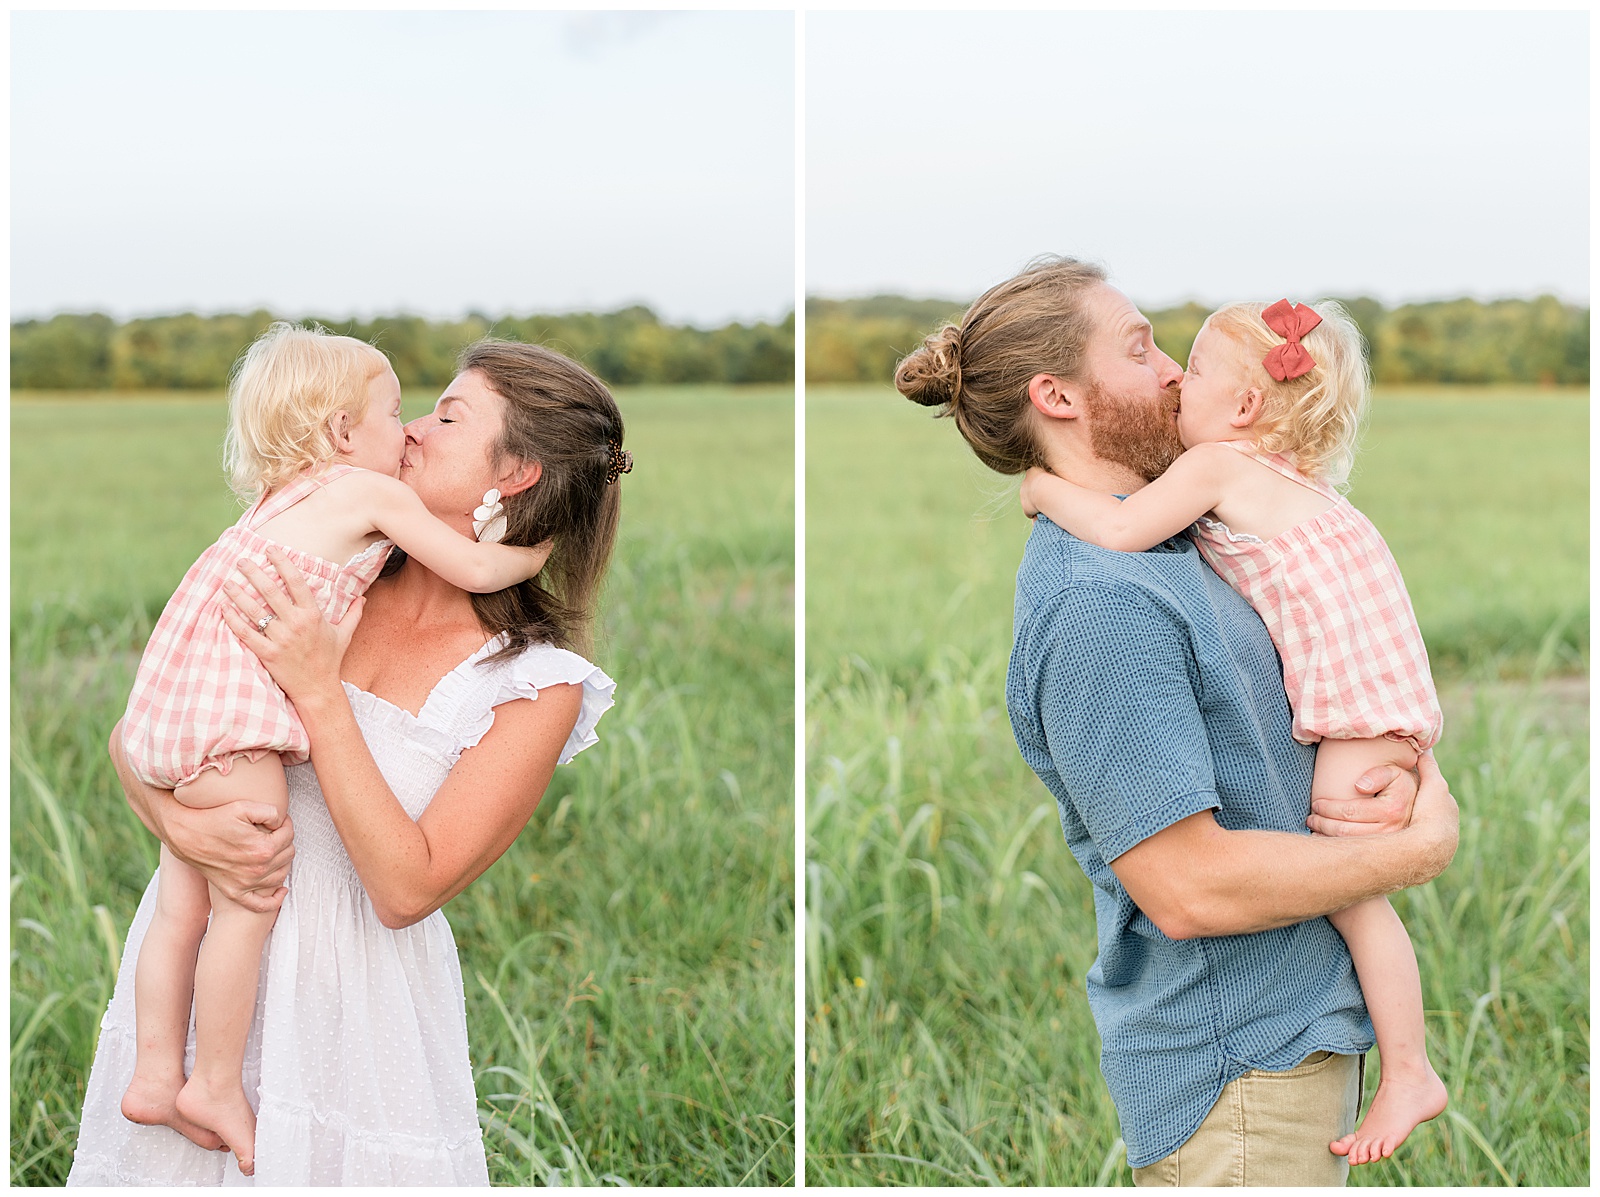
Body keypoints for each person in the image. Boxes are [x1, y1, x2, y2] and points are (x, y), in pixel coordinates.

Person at [894, 256, 1458, 1187]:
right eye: (1142, 346)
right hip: (1241, 1075)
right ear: (1058, 396)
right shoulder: (1100, 601)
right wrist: (1417, 847)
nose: (1168, 371)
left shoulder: (1183, 541)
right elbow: (1187, 889)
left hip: (1290, 1044)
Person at [67, 338, 629, 1185]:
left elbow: (408, 888)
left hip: (351, 1014)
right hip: (198, 982)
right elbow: (151, 726)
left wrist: (318, 692)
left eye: (445, 417)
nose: (408, 429)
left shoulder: (532, 683)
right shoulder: (325, 577)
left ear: (513, 474)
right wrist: (182, 824)